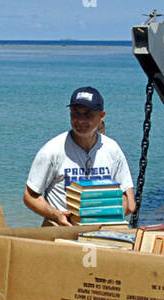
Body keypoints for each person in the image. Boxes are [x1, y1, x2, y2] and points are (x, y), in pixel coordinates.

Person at [24, 87, 135, 225]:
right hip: (62, 232)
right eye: (75, 114)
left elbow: (130, 204)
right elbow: (30, 196)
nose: (80, 120)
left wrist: (102, 216)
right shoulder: (52, 150)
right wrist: (56, 214)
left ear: (102, 116)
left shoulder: (113, 150)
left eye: (88, 115)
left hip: (102, 233)